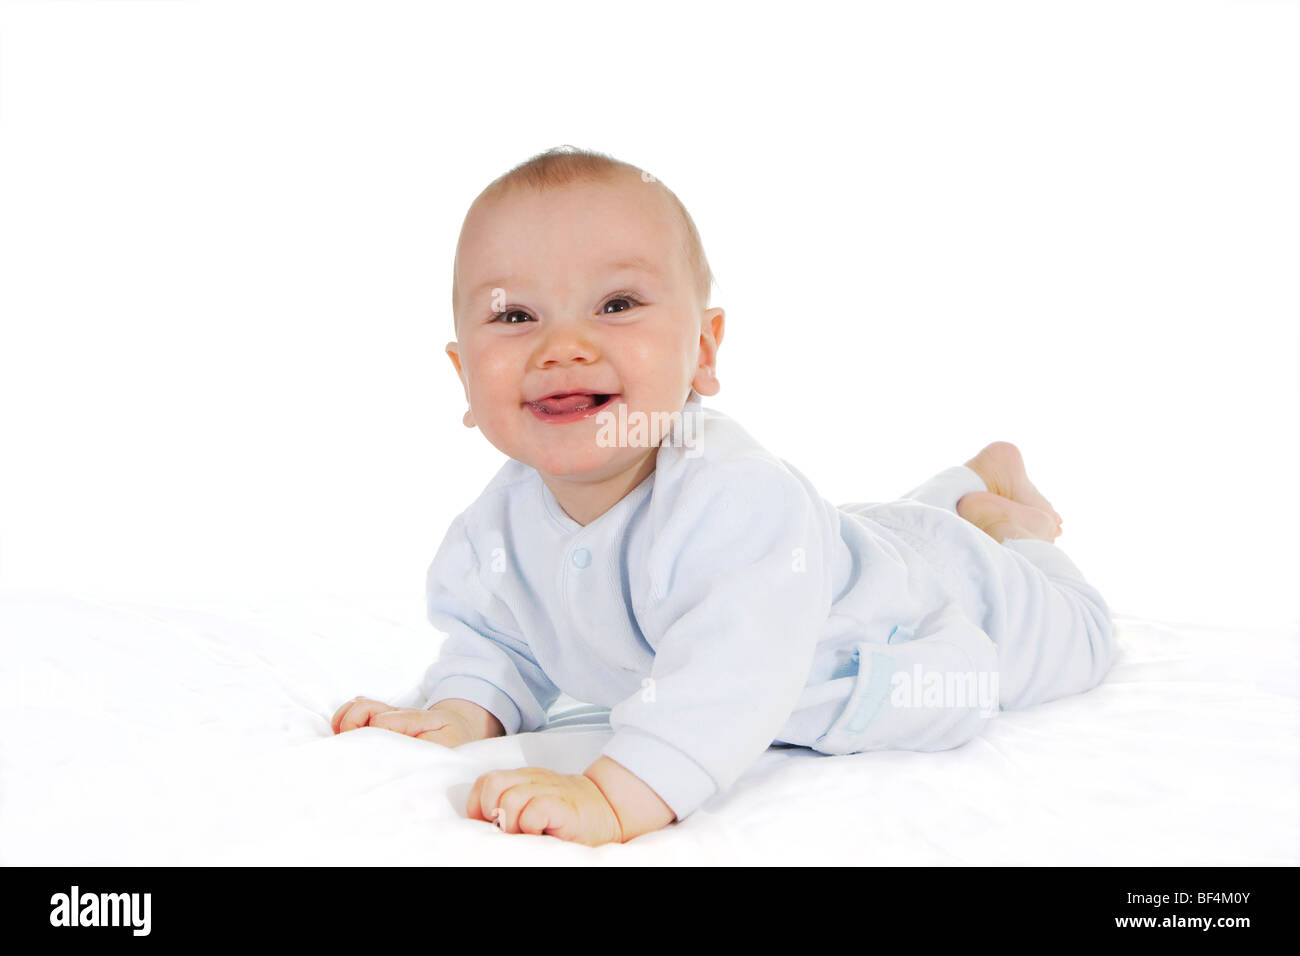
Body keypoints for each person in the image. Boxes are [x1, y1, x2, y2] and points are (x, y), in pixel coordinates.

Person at [330, 146, 1115, 847]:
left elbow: (727, 680)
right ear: (463, 374)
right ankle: (961, 490)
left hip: (942, 604)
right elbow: (499, 640)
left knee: (1084, 640)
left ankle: (1015, 524)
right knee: (875, 533)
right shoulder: (491, 532)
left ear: (703, 352)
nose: (561, 345)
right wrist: (464, 711)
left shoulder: (733, 494)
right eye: (514, 315)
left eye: (616, 305)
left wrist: (616, 793)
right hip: (846, 545)